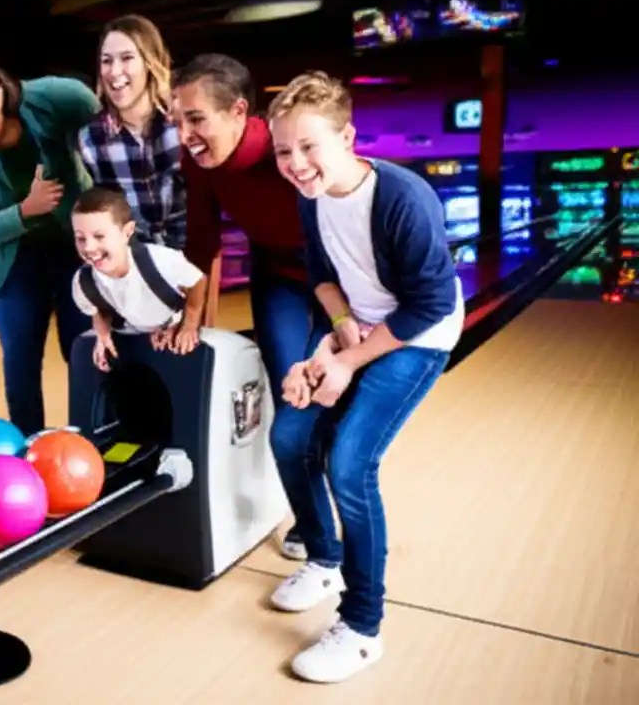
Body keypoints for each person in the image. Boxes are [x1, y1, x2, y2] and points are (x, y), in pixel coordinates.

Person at [265, 71, 464, 683]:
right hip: (362, 325)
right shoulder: (311, 195)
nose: (296, 164)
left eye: (308, 147)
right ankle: (324, 558)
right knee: (289, 437)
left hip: (419, 336)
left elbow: (429, 304)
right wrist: (342, 325)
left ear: (347, 137)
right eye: (282, 151)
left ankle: (361, 628)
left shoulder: (402, 198)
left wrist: (349, 360)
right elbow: (320, 271)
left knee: (349, 462)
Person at [170, 53, 320, 560]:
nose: (185, 134)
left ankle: (341, 496)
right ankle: (310, 515)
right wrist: (191, 321)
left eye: (196, 119)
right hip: (278, 272)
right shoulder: (199, 163)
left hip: (335, 273)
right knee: (291, 392)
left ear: (238, 111)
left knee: (332, 393)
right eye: (179, 120)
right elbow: (201, 244)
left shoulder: (285, 148)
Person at [0, 62, 101, 435]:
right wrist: (23, 212)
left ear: (1, 95)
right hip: (15, 263)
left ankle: (97, 439)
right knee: (20, 365)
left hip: (72, 250)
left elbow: (89, 101)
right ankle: (30, 451)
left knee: (84, 352)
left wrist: (19, 91)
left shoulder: (41, 103)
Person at [76, 14, 186, 249]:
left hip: (191, 260)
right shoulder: (91, 139)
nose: (114, 71)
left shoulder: (181, 123)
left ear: (150, 62)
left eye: (127, 58)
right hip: (134, 264)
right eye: (106, 61)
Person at [69, 187, 207, 371]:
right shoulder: (83, 281)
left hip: (171, 328)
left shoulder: (161, 260)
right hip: (129, 337)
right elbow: (96, 310)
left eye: (99, 236)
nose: (89, 247)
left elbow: (198, 281)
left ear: (128, 232)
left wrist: (188, 325)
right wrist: (102, 335)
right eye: (80, 238)